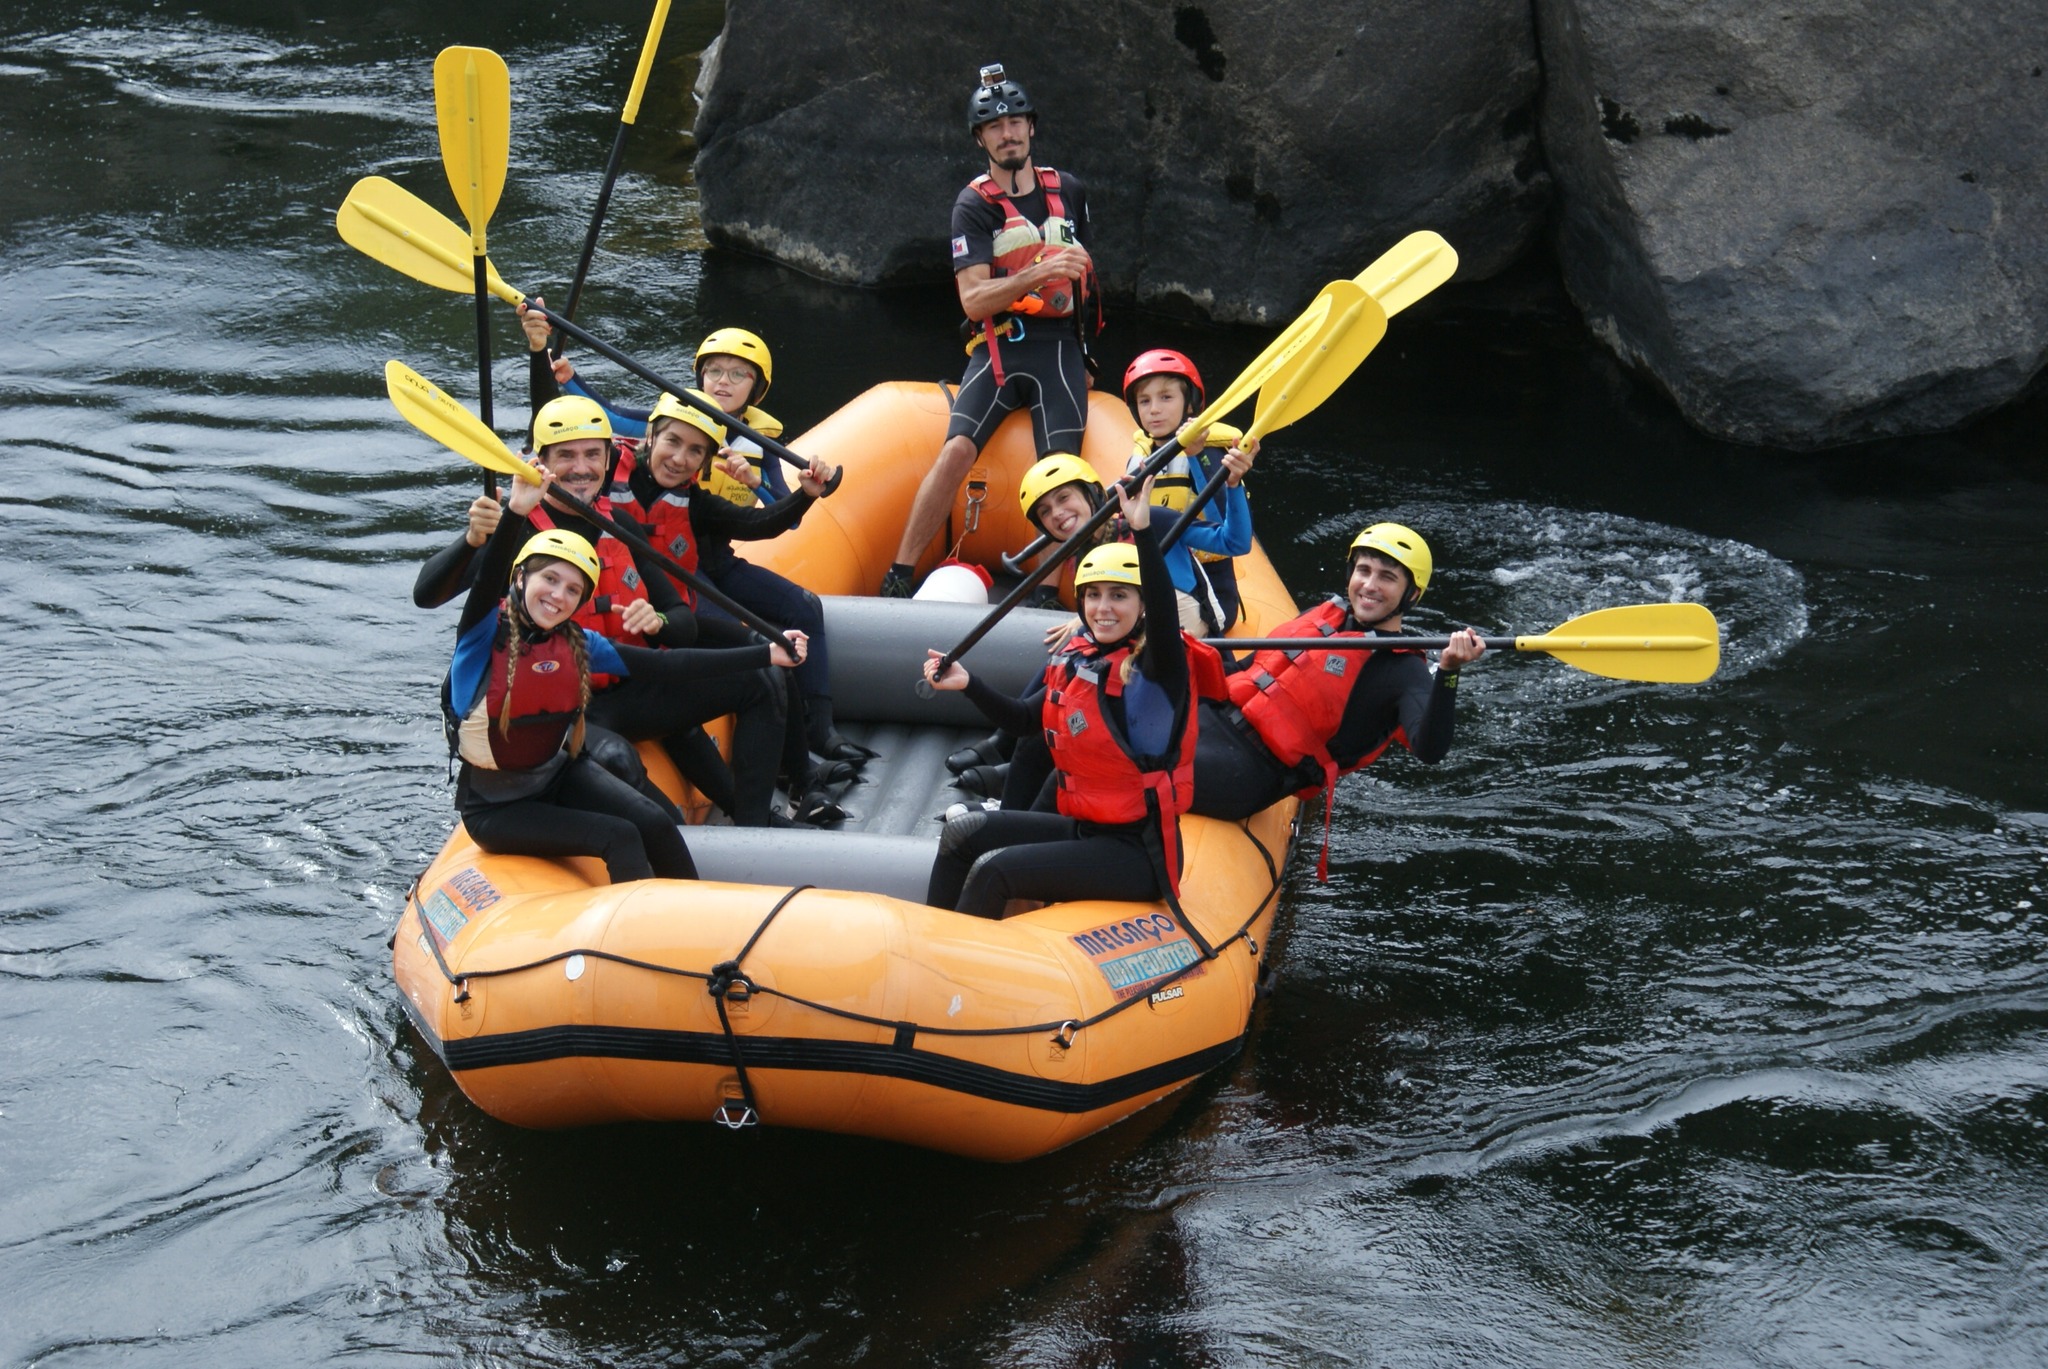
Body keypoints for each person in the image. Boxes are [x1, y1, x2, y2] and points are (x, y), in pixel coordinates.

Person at [417, 394, 805, 826]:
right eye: (565, 455)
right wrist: (470, 540)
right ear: (540, 461)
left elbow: (682, 625)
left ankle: (756, 830)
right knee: (623, 767)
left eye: (592, 455)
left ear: (608, 461)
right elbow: (427, 595)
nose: (581, 468)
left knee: (764, 678)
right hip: (559, 707)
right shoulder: (516, 526)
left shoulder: (618, 524)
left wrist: (656, 621)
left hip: (626, 687)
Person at [519, 307, 871, 770]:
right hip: (656, 590)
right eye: (672, 444)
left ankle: (811, 748)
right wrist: (549, 359)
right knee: (753, 651)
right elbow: (565, 421)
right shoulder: (609, 472)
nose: (680, 459)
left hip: (697, 575)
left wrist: (793, 491)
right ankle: (794, 769)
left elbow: (764, 523)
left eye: (694, 452)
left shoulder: (736, 463)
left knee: (789, 622)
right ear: (649, 439)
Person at [922, 476, 1225, 920]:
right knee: (962, 832)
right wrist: (969, 683)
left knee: (996, 871)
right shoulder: (1083, 660)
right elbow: (1025, 720)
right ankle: (930, 944)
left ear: (1142, 606)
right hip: (1084, 829)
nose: (1103, 608)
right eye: (1093, 596)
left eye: (1119, 596)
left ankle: (950, 970)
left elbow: (1162, 615)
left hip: (1137, 853)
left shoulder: (1157, 669)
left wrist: (1141, 530)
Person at [880, 63, 1100, 597]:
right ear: (981, 139)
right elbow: (974, 298)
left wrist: (1088, 356)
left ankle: (1055, 591)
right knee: (956, 450)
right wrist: (1037, 272)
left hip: (1059, 350)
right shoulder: (973, 206)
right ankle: (899, 573)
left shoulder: (1068, 190)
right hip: (1000, 347)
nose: (1008, 135)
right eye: (995, 128)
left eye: (1015, 123)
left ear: (1030, 127)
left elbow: (1088, 279)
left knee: (1061, 474)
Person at [445, 474, 699, 884]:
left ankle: (697, 919)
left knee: (655, 820)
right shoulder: (481, 636)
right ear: (520, 579)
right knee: (619, 836)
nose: (558, 595)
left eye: (572, 590)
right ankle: (643, 942)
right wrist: (515, 512)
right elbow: (485, 581)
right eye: (549, 580)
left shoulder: (578, 641)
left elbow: (673, 666)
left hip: (557, 775)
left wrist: (767, 654)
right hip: (496, 808)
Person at [1190, 523, 1486, 873]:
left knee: (1127, 764)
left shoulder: (1403, 669)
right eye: (1364, 570)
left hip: (1245, 773)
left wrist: (1450, 670)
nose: (1370, 586)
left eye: (1388, 577)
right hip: (1211, 725)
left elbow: (1431, 748)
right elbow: (1245, 673)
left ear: (1412, 595)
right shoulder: (1322, 618)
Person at [1121, 349, 1258, 635]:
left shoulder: (1212, 454)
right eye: (1144, 401)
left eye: (1166, 397)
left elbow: (1228, 532)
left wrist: (1197, 456)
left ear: (1191, 404)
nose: (1154, 409)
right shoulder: (1141, 458)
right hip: (1153, 581)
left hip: (1208, 591)